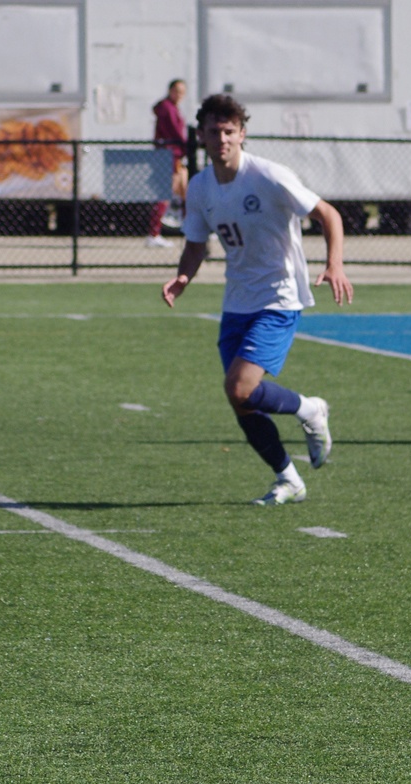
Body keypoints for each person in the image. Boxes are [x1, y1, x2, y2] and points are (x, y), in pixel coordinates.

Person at [161, 94, 350, 505]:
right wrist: (182, 278)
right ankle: (288, 479)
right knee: (240, 400)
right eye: (214, 131)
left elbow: (328, 214)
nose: (222, 139)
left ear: (242, 134)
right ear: (203, 136)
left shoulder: (267, 175)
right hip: (237, 302)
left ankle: (310, 409)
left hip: (279, 297)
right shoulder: (199, 186)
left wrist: (334, 263)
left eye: (230, 131)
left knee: (241, 388)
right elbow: (196, 245)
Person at [148, 79, 190, 249]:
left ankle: (193, 231)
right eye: (176, 91)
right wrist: (187, 146)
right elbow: (174, 131)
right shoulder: (167, 108)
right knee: (165, 193)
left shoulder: (171, 108)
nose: (179, 95)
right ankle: (153, 233)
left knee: (187, 192)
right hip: (169, 156)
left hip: (175, 155)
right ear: (170, 90)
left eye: (182, 92)